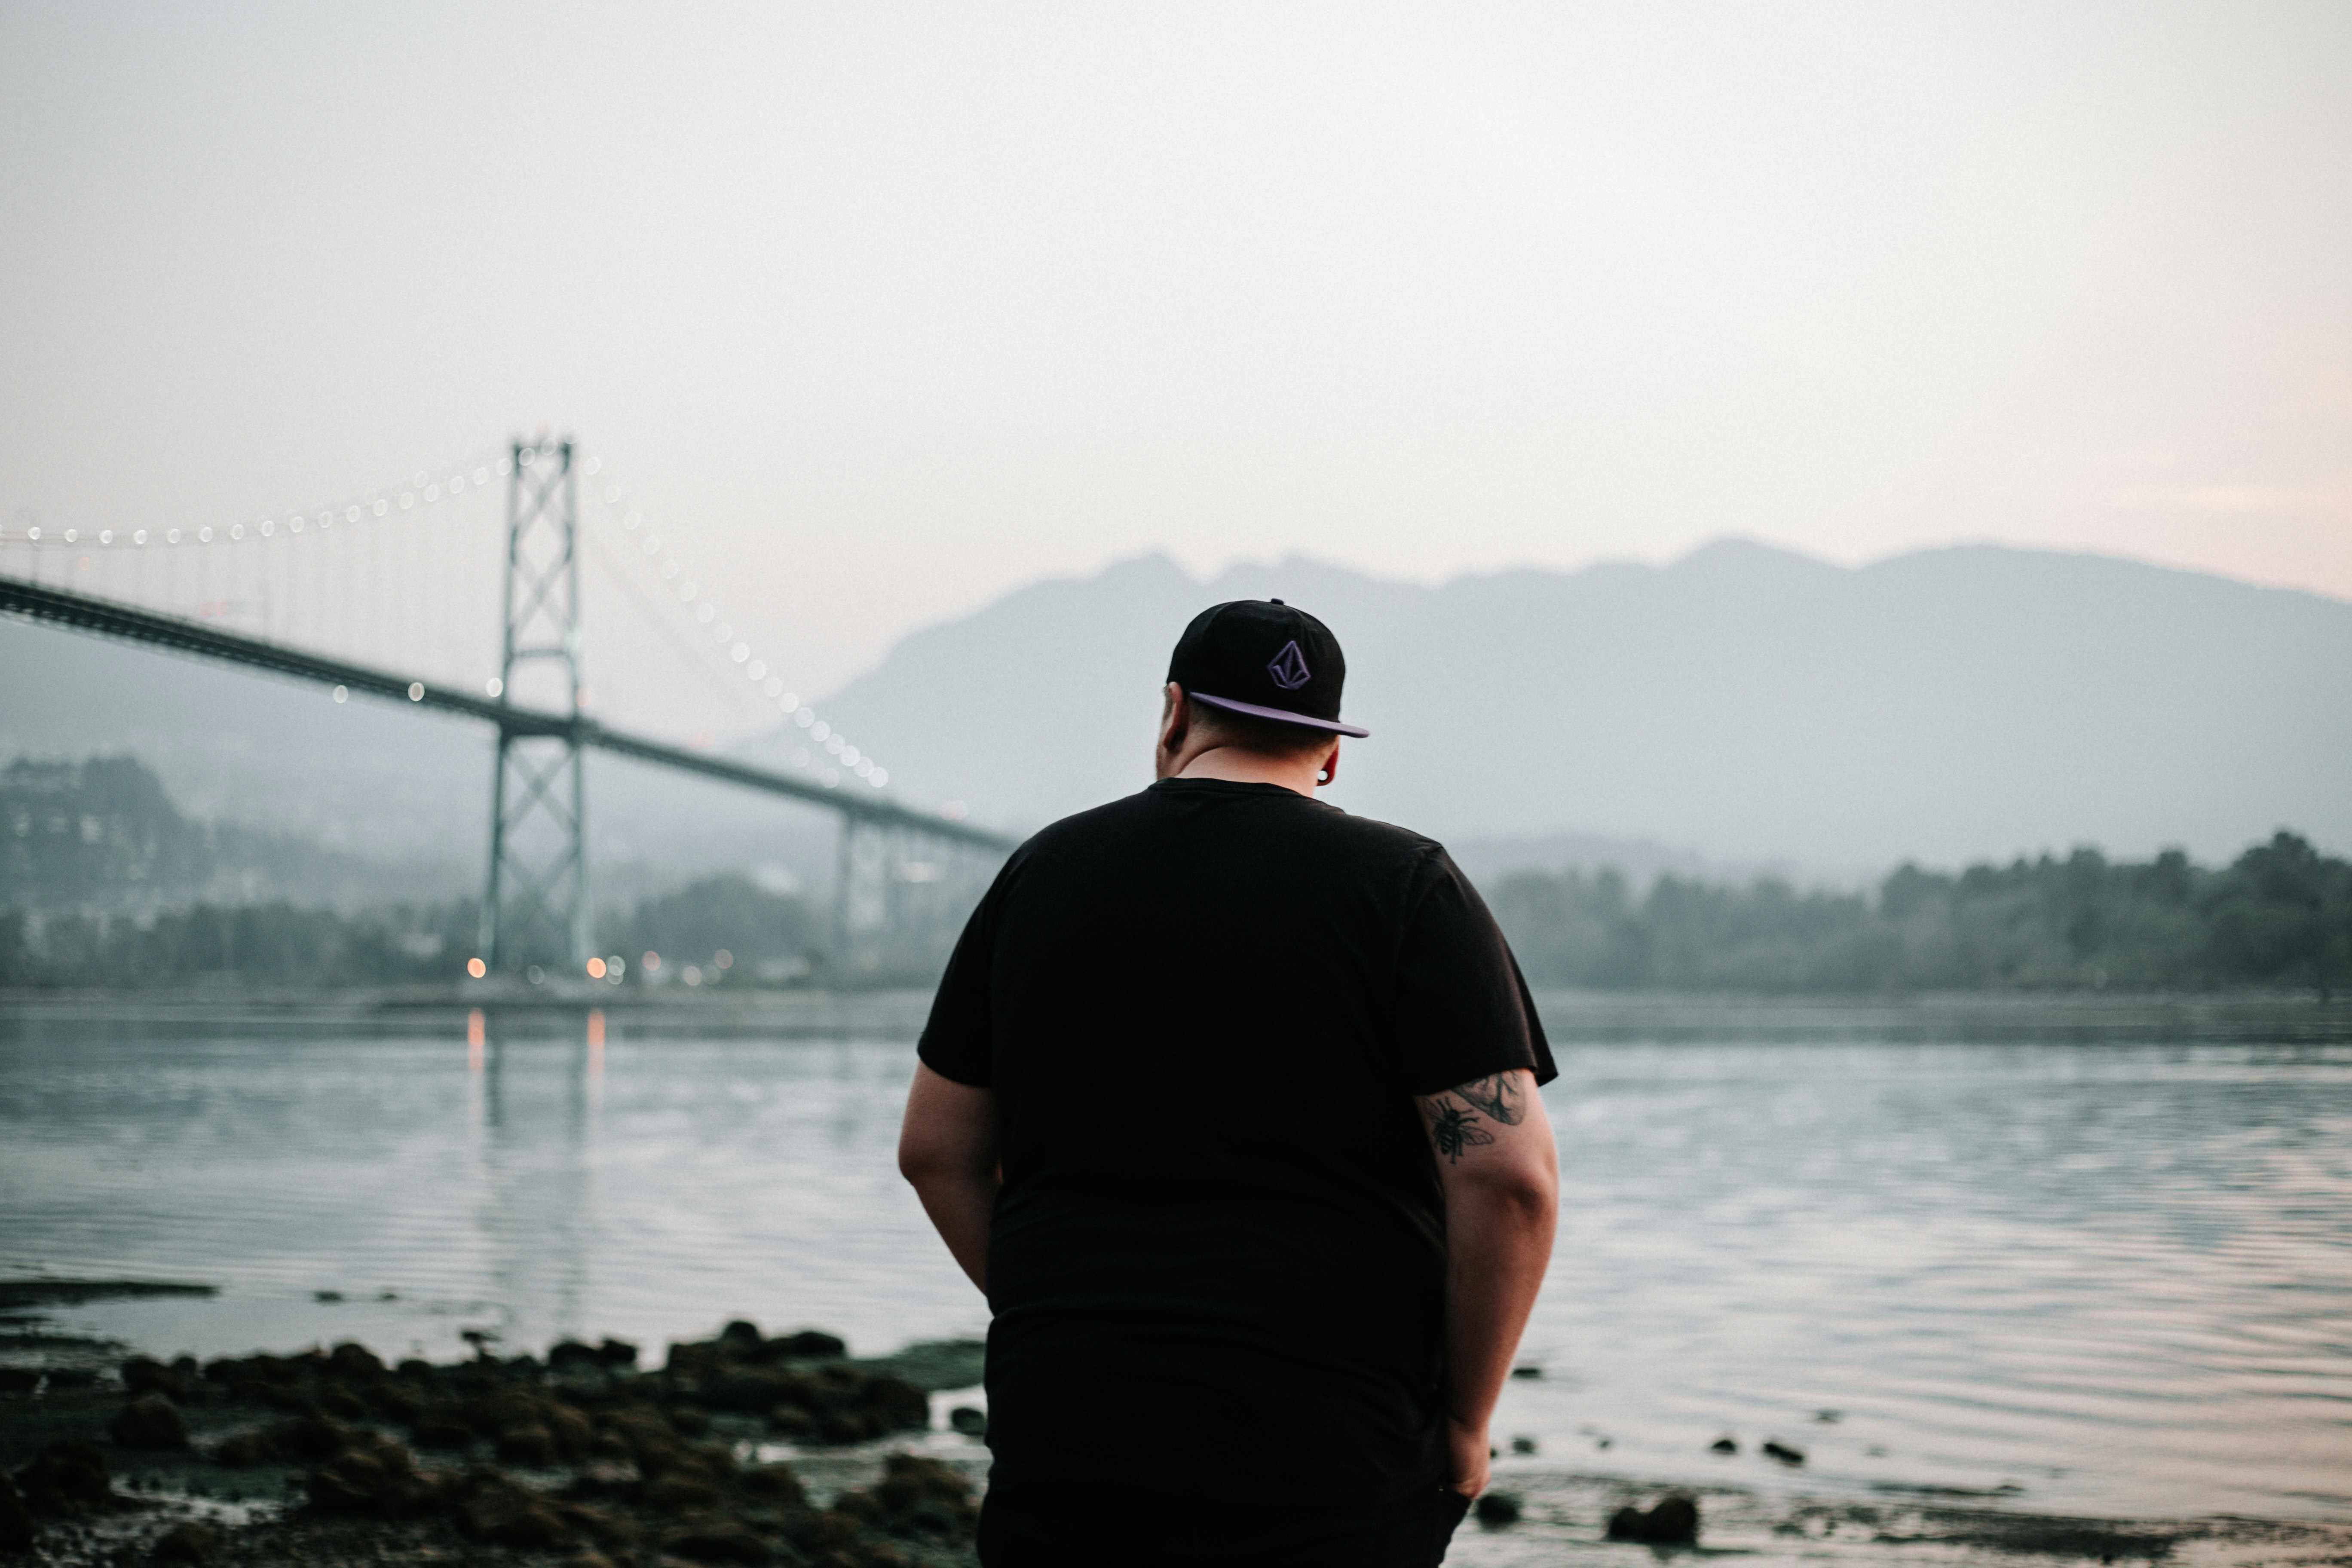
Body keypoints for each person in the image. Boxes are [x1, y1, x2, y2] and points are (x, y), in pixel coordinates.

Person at [898, 598, 1559, 1568]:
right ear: (1330, 753)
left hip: (1073, 1430)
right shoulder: (1408, 887)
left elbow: (934, 1152)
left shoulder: (1041, 876)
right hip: (1328, 1441)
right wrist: (1466, 1415)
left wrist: (1064, 1313)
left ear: (1173, 716)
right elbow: (1510, 1178)